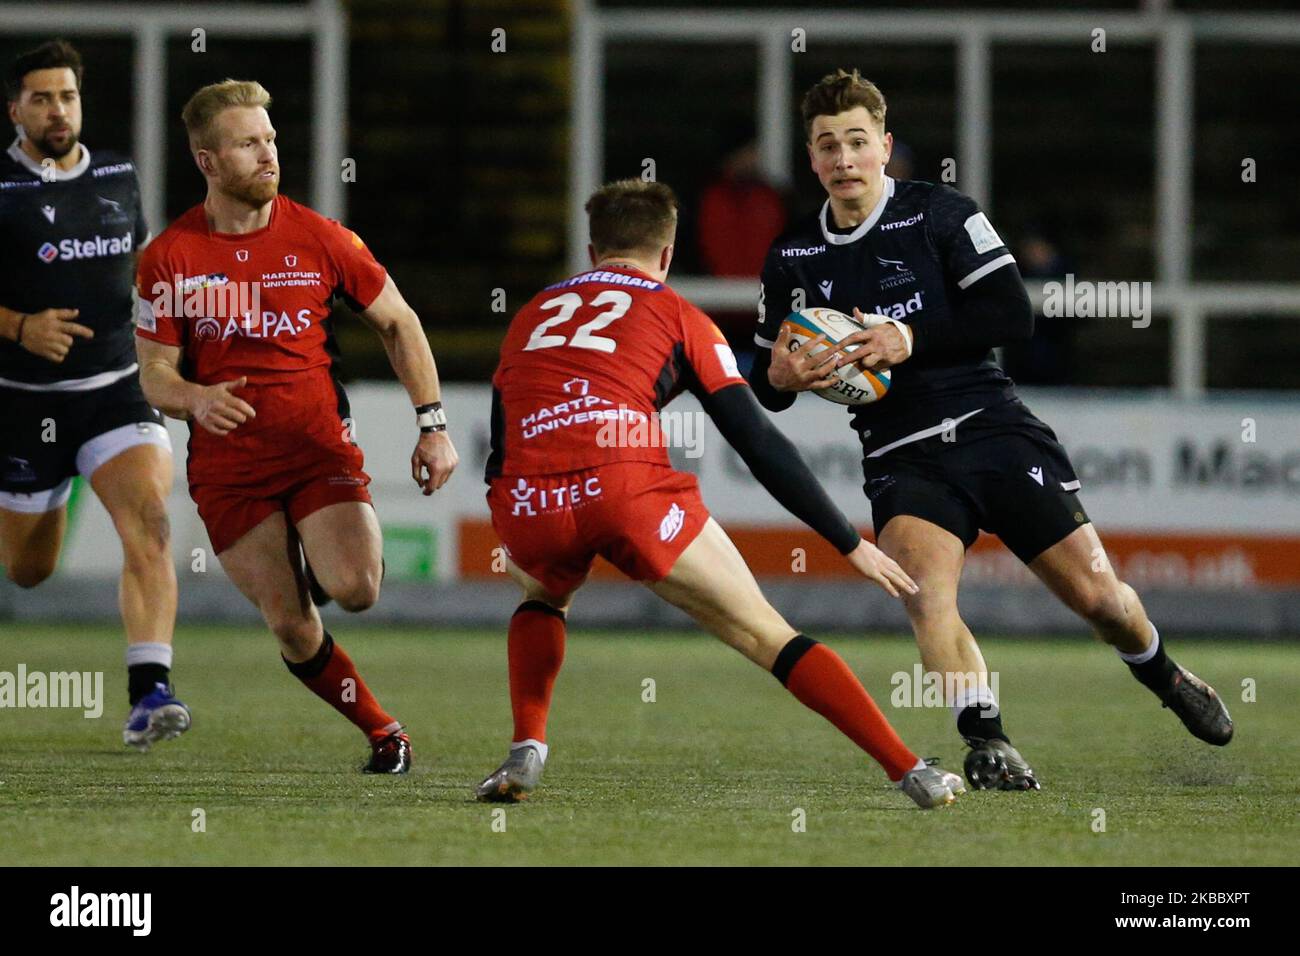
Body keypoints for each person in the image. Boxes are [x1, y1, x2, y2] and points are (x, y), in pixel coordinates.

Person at [748, 69, 1232, 790]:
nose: (843, 159)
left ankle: (1164, 674)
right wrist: (778, 379)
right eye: (826, 146)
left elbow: (1011, 315)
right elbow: (769, 384)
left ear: (884, 147)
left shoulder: (941, 213)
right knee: (925, 595)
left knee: (1100, 601)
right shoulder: (793, 258)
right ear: (812, 159)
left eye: (856, 141)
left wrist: (906, 337)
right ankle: (987, 739)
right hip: (900, 452)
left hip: (992, 426)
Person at [475, 177, 966, 809]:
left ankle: (527, 745)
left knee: (542, 591)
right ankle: (910, 771)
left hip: (527, 498)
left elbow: (501, 430)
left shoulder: (533, 312)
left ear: (593, 252)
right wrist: (848, 542)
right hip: (627, 487)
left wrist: (513, 509)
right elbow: (756, 440)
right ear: (668, 255)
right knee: (766, 633)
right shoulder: (680, 315)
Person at [134, 79, 458, 772]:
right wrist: (194, 398)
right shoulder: (169, 257)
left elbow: (399, 322)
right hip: (229, 470)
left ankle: (310, 555)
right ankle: (383, 732)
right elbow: (154, 374)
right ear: (208, 162)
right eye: (249, 144)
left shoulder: (322, 238)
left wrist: (432, 424)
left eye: (271, 139)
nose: (268, 154)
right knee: (290, 623)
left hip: (316, 451)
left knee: (357, 589)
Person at [0, 39, 186, 750]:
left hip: (115, 391)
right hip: (22, 401)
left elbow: (140, 272)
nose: (57, 110)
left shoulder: (119, 174)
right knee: (29, 570)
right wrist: (19, 325)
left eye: (68, 96)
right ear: (14, 108)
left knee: (151, 522)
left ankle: (150, 694)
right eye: (41, 98)